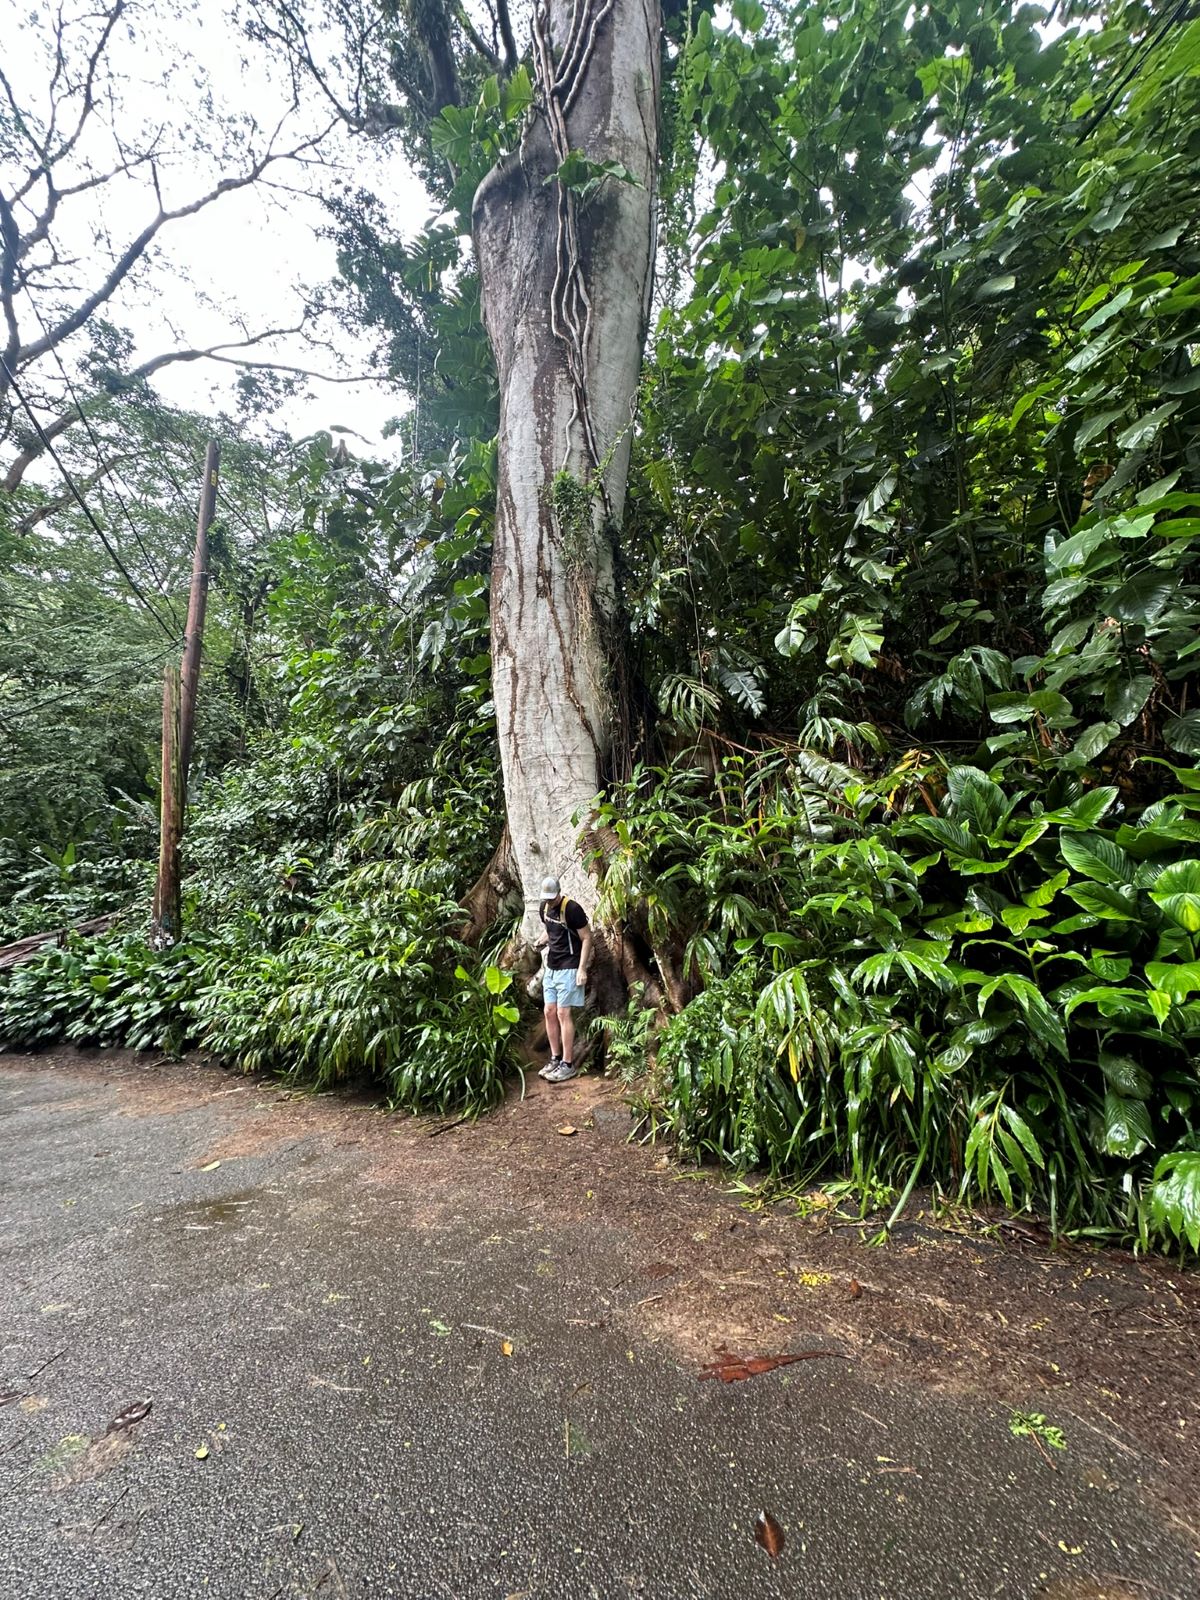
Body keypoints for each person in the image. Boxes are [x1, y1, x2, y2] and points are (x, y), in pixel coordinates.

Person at [537, 874, 591, 1083]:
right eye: (547, 898)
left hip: (569, 966)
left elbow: (587, 937)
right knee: (549, 1011)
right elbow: (551, 932)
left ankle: (568, 1064)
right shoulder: (544, 908)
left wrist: (581, 969)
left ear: (559, 893)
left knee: (563, 1013)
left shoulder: (572, 909)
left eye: (552, 898)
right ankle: (555, 1058)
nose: (549, 901)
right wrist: (541, 940)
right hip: (551, 966)